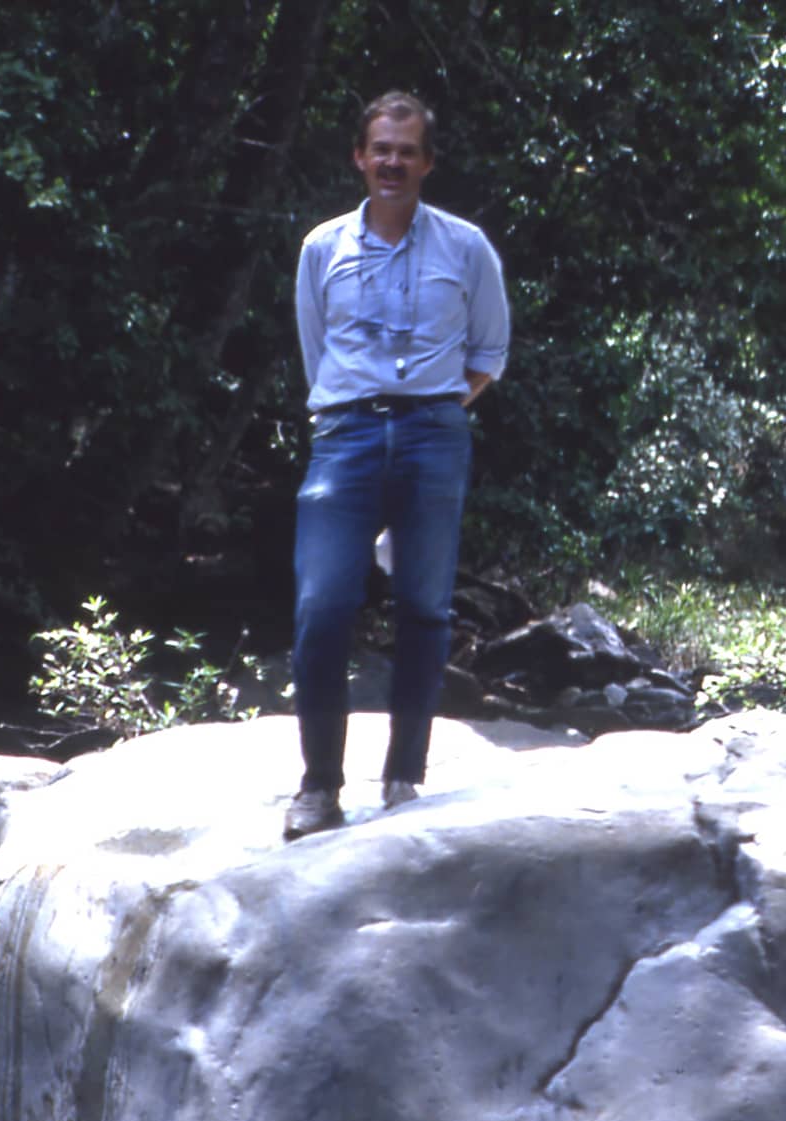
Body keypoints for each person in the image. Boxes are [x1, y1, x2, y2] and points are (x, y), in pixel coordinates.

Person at [285, 91, 510, 839]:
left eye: (407, 151)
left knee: (425, 605)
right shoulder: (322, 247)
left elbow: (489, 354)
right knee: (322, 606)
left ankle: (403, 778)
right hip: (344, 435)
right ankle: (319, 786)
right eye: (381, 148)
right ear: (359, 155)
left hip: (434, 434)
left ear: (427, 162)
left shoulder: (467, 248)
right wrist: (355, 408)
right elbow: (318, 353)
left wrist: (436, 409)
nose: (392, 162)